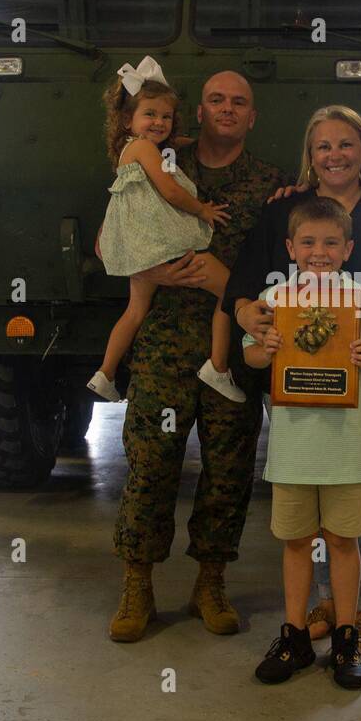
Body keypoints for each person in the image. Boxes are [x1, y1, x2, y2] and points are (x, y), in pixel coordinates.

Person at [110, 70, 291, 643]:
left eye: (240, 101)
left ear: (252, 116)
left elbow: (288, 269)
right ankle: (137, 583)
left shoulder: (270, 185)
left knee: (228, 470)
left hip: (232, 351)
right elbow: (111, 234)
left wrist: (227, 286)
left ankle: (210, 582)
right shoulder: (155, 162)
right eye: (216, 99)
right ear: (201, 110)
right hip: (163, 343)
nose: (228, 109)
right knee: (150, 464)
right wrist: (149, 270)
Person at [228, 105, 361, 655]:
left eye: (346, 144)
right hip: (296, 398)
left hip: (359, 386)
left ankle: (354, 614)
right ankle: (313, 616)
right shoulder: (285, 212)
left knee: (348, 506)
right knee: (304, 518)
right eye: (323, 146)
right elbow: (245, 293)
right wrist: (251, 324)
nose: (335, 155)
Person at [89, 57, 244, 404]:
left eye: (166, 116)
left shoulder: (132, 150)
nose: (159, 122)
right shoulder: (145, 148)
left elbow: (173, 150)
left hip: (140, 248)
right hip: (165, 245)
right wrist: (203, 210)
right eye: (150, 115)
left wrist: (185, 141)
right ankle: (217, 367)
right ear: (128, 119)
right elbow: (170, 191)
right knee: (231, 290)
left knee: (134, 311)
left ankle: (106, 373)